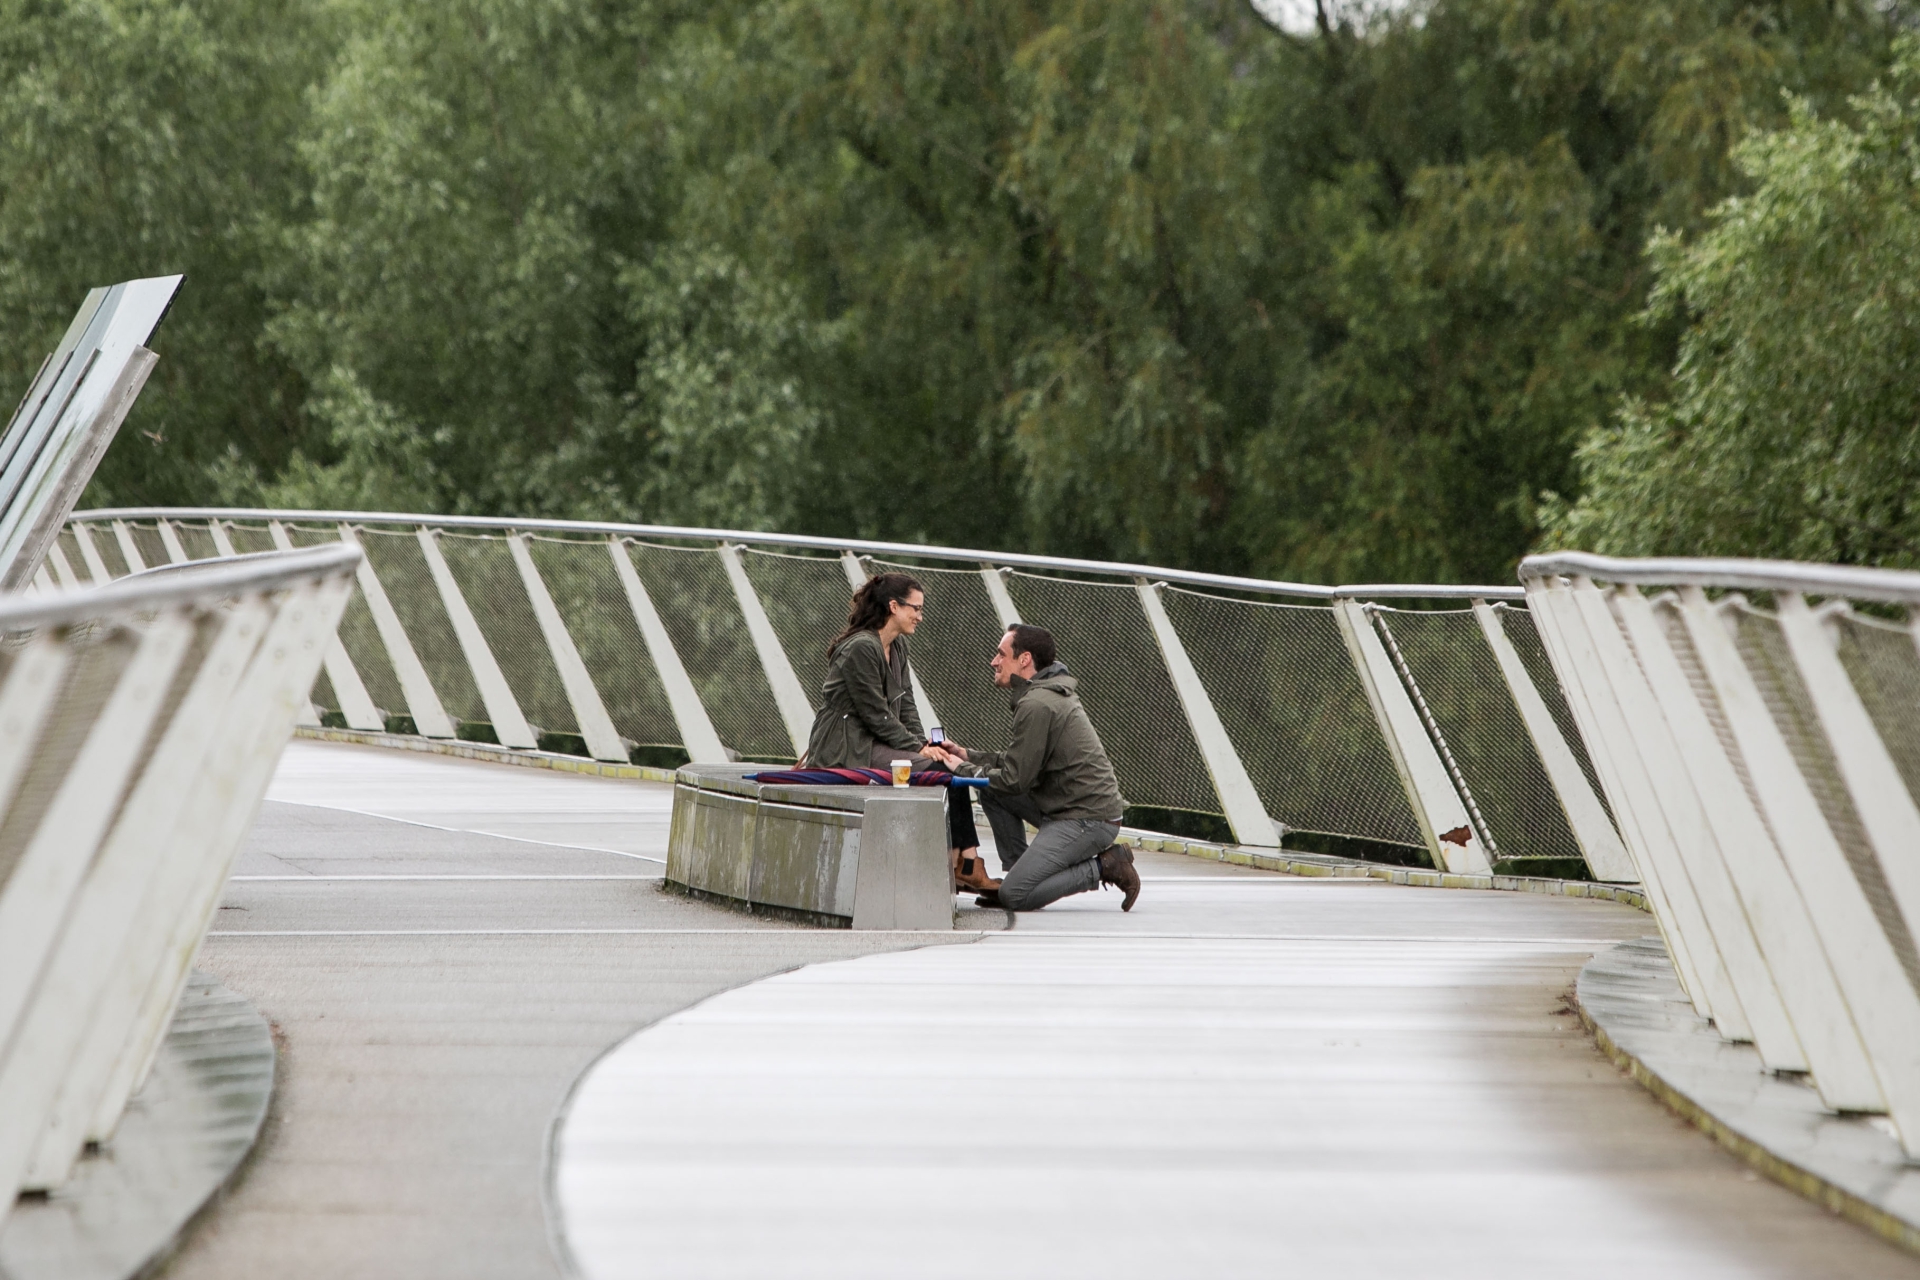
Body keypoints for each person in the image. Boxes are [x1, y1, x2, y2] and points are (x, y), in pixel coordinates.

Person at [801, 572, 996, 892]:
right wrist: (919, 751)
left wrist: (927, 743)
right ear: (894, 606)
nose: (920, 616)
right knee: (938, 769)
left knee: (946, 762)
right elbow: (875, 714)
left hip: (878, 739)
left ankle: (964, 862)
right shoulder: (862, 648)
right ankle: (963, 865)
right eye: (915, 608)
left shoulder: (898, 646)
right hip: (848, 746)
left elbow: (906, 706)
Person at [928, 624, 1140, 912]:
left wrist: (964, 769)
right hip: (1064, 805)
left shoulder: (1038, 704)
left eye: (1001, 654)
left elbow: (1015, 780)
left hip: (1088, 818)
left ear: (1024, 659)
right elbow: (1021, 763)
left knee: (1015, 896)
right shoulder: (1042, 694)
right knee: (991, 791)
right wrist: (968, 755)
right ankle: (1020, 871)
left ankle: (1104, 866)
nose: (994, 661)